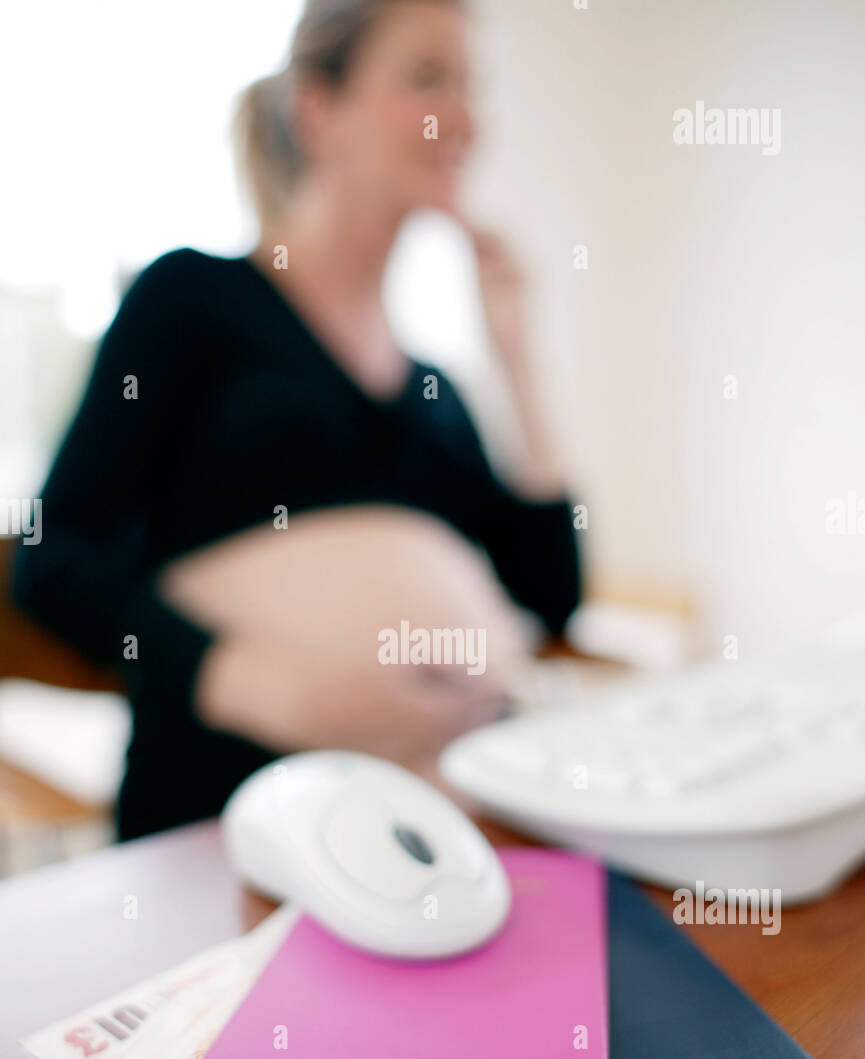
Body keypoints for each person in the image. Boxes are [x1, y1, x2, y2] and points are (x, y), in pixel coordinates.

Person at [13, 0, 581, 841]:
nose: (464, 119)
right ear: (317, 110)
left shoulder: (434, 390)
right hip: (223, 832)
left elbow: (551, 595)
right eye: (428, 79)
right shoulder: (193, 302)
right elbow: (51, 554)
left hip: (434, 839)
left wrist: (519, 363)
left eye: (470, 86)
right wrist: (269, 685)